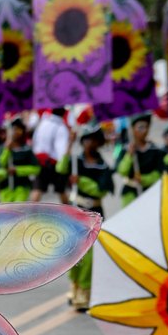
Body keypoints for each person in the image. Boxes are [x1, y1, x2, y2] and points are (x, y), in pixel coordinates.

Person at [57, 123, 113, 312]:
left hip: (93, 214)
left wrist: (82, 181)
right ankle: (74, 286)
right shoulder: (75, 161)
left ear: (98, 142)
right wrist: (69, 145)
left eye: (93, 139)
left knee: (89, 255)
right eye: (86, 139)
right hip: (75, 213)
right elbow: (60, 169)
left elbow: (101, 190)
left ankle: (85, 291)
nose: (89, 143)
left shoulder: (102, 165)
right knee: (73, 252)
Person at [115, 113, 165, 205]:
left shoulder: (154, 150)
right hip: (130, 195)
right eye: (140, 127)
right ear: (132, 129)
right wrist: (129, 155)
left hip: (151, 193)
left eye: (146, 127)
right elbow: (122, 171)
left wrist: (144, 179)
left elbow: (159, 173)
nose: (144, 130)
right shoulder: (126, 150)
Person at [0, 119, 40, 203]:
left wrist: (17, 170)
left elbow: (36, 168)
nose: (16, 132)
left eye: (18, 129)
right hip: (5, 187)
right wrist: (7, 149)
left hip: (22, 187)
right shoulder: (2, 148)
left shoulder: (26, 149)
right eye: (14, 129)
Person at [30, 107, 70, 202]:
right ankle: (69, 214)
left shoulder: (43, 123)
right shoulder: (61, 127)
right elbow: (62, 148)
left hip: (40, 161)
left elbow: (34, 141)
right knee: (61, 190)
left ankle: (30, 214)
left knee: (37, 189)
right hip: (54, 162)